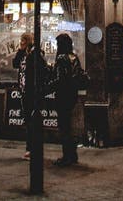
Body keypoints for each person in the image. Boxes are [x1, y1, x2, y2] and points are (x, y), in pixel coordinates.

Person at [48, 32, 82, 167]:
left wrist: (46, 89)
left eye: (58, 44)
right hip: (72, 94)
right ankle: (72, 154)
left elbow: (59, 79)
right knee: (68, 125)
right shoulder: (74, 57)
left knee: (64, 126)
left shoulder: (61, 58)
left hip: (62, 95)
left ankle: (67, 156)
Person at [13, 33, 48, 160]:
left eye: (23, 40)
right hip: (24, 91)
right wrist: (20, 51)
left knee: (32, 121)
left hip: (32, 92)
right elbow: (15, 64)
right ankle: (30, 148)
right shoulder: (23, 53)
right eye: (21, 40)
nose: (21, 42)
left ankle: (32, 149)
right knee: (28, 120)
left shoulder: (35, 53)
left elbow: (42, 70)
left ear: (28, 41)